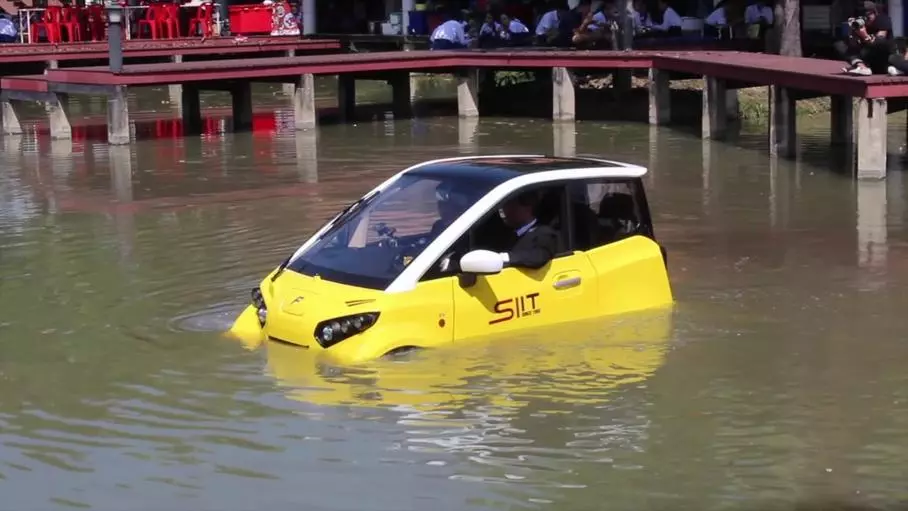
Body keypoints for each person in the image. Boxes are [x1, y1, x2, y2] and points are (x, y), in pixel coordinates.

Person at [496, 190, 559, 270]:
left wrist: (504, 257)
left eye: (509, 205)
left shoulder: (543, 233)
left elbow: (539, 256)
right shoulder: (509, 234)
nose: (503, 211)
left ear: (527, 207)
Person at [834, 1, 893, 76]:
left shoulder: (883, 20)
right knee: (840, 44)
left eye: (868, 15)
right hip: (866, 56)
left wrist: (864, 34)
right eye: (862, 15)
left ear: (875, 13)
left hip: (882, 58)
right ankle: (862, 67)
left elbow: (879, 42)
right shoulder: (858, 23)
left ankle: (865, 67)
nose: (866, 18)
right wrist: (852, 32)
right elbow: (853, 45)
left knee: (878, 43)